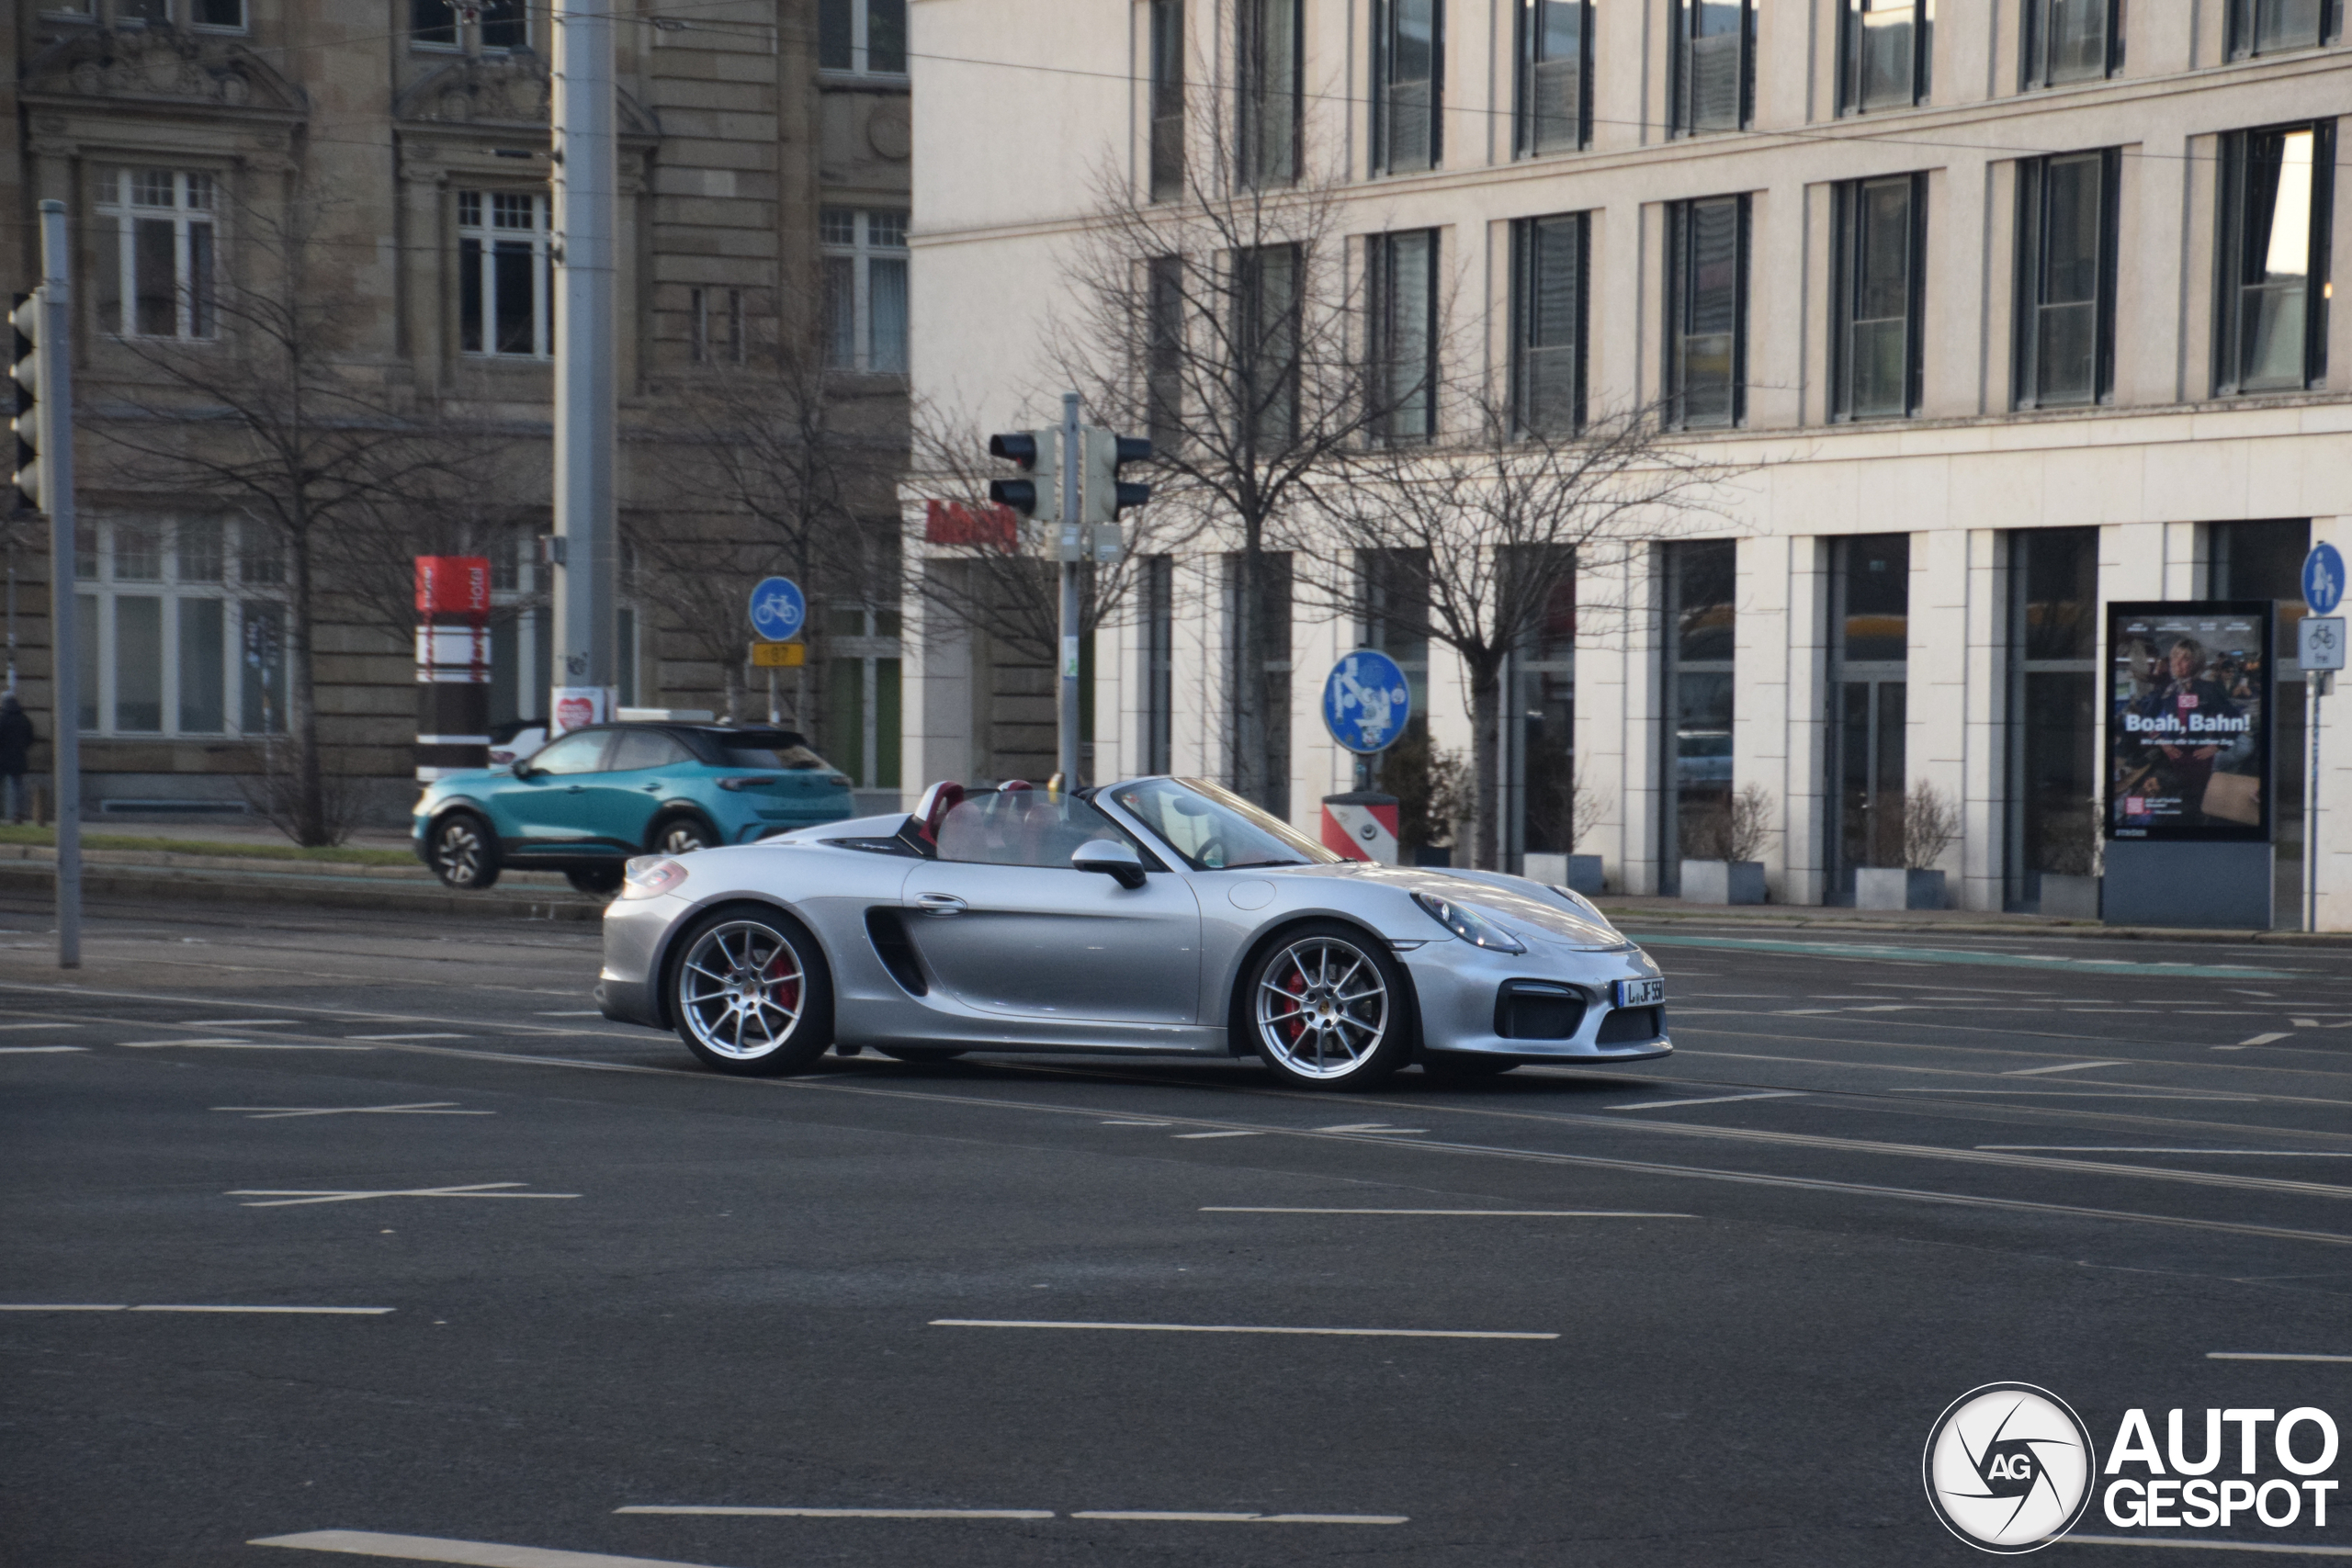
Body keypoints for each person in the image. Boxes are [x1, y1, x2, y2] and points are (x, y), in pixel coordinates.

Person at [0, 692, 32, 825]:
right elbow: (30, 738)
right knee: (18, 787)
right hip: (19, 757)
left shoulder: (2, 719)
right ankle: (18, 814)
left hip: (2, 758)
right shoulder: (24, 719)